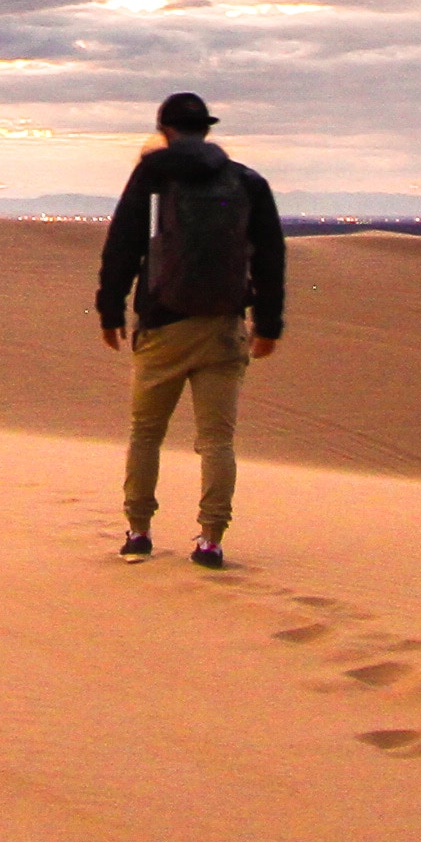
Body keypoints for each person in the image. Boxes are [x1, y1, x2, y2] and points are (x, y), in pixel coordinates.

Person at [95, 91, 285, 567]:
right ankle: (211, 539)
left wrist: (110, 311)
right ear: (207, 130)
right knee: (217, 440)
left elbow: (124, 244)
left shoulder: (153, 177)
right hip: (224, 327)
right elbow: (269, 256)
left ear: (165, 130)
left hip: (162, 325)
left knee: (145, 434)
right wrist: (268, 323)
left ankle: (138, 533)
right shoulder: (246, 181)